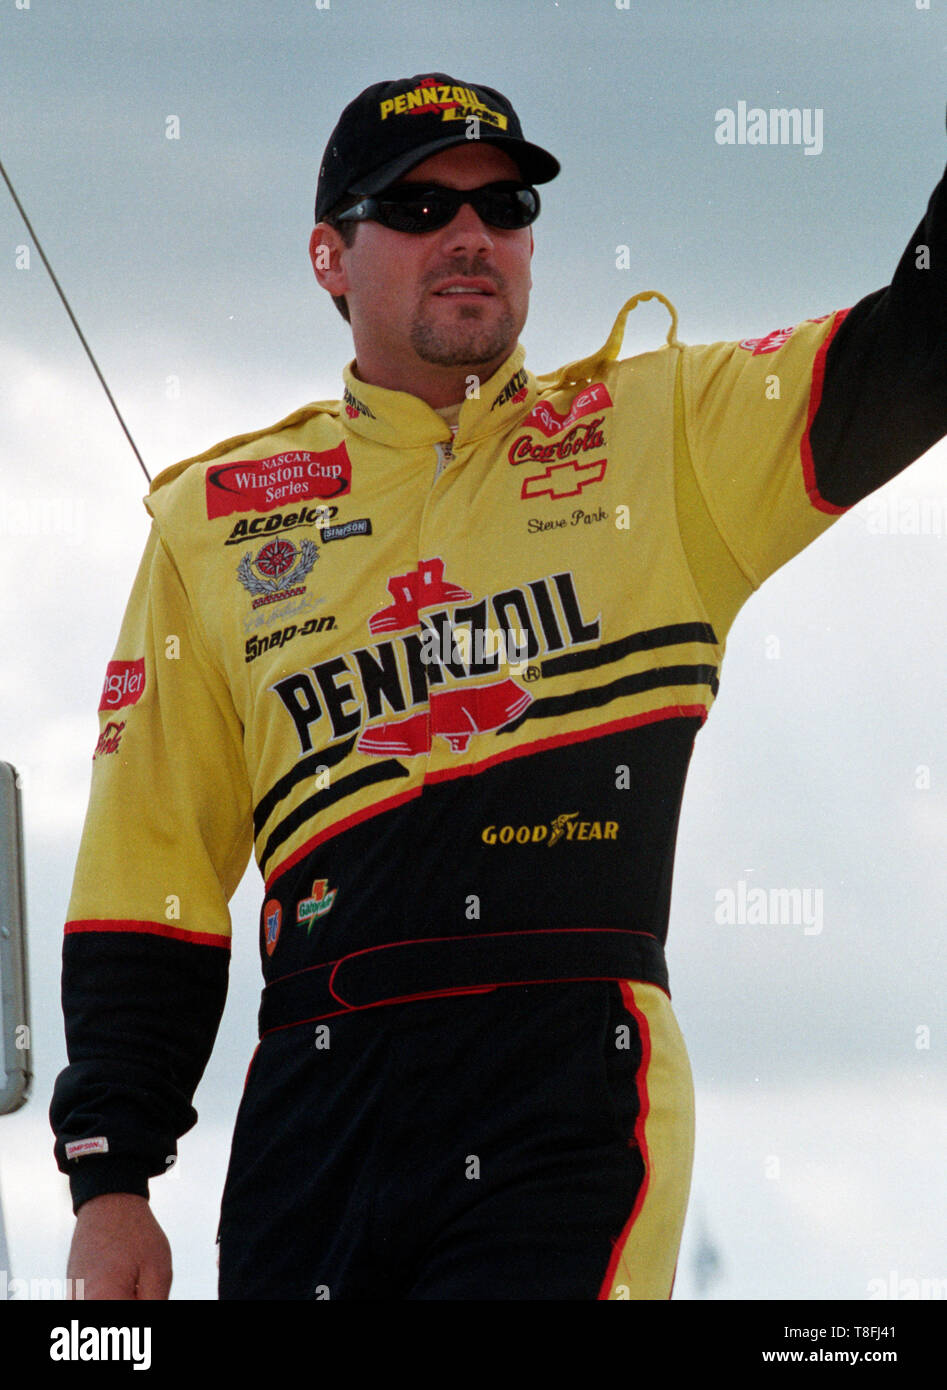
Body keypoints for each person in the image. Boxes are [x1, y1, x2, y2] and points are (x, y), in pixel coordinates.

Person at [51, 73, 946, 1301]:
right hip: (316, 1096)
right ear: (329, 255)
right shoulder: (215, 523)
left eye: (503, 204)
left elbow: (919, 345)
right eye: (416, 207)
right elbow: (147, 872)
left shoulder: (661, 432)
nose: (469, 234)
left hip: (567, 1070)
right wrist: (112, 1181)